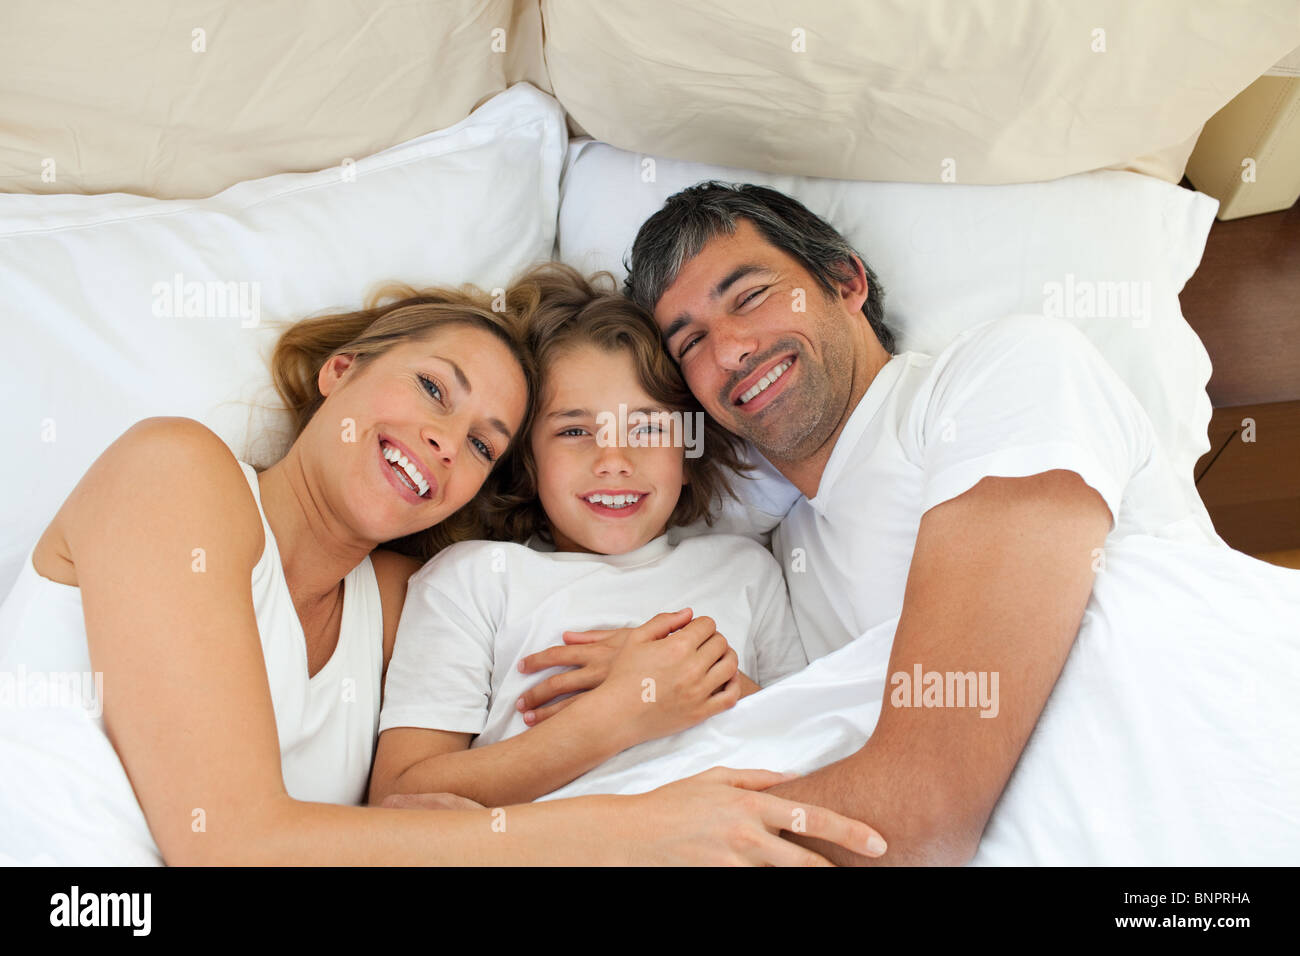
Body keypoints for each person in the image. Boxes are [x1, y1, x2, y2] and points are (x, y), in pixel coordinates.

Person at [524, 181, 1300, 865]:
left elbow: (921, 808)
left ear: (846, 281)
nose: (729, 349)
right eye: (690, 341)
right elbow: (814, 742)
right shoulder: (780, 564)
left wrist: (557, 846)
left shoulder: (1004, 373)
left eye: (751, 296)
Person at [0, 277, 882, 866]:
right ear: (340, 372)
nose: (445, 441)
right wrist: (631, 828)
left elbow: (407, 815)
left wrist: (663, 681)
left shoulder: (392, 602)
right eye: (433, 388)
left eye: (483, 444)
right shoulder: (175, 472)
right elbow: (231, 844)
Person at [368, 266, 810, 810]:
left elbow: (814, 745)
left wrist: (706, 681)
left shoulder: (745, 571)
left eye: (647, 428)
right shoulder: (473, 580)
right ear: (527, 461)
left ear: (688, 453)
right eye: (574, 430)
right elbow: (400, 797)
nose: (613, 460)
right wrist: (617, 715)